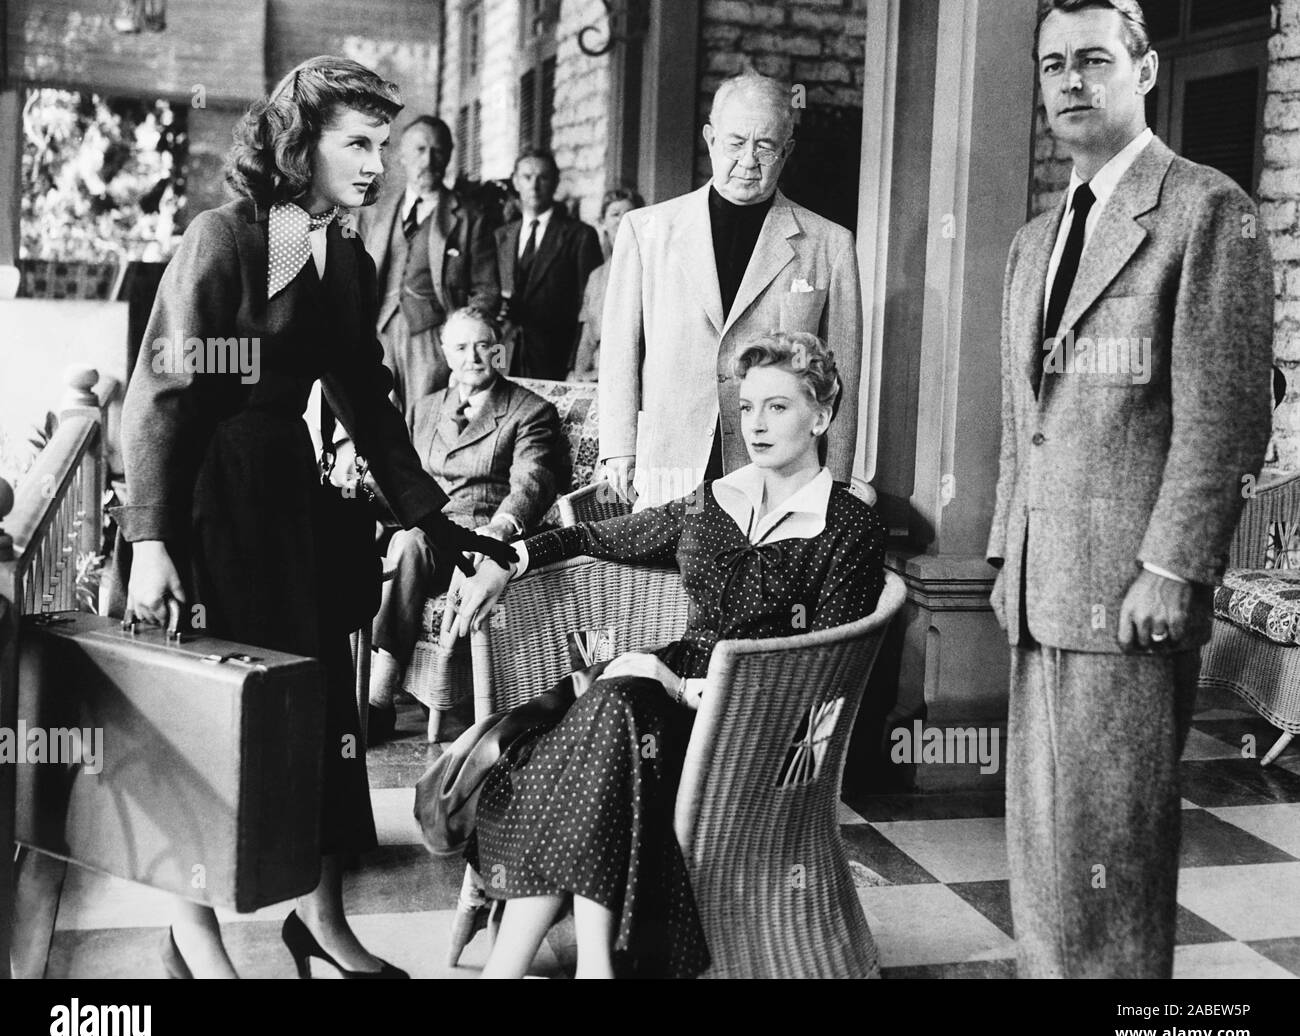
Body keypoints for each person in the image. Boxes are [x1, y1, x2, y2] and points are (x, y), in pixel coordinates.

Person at [115, 55, 515, 979]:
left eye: (384, 144)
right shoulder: (225, 238)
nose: (378, 163)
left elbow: (366, 399)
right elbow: (163, 396)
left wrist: (432, 516)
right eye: (358, 143)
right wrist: (148, 540)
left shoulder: (333, 249)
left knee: (319, 721)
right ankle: (197, 947)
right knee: (207, 728)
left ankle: (323, 925)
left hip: (286, 509)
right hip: (208, 505)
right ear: (303, 145)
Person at [444, 331, 886, 978]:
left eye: (778, 407)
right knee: (620, 711)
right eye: (746, 407)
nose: (756, 425)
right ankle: (592, 964)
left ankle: (517, 969)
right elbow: (595, 534)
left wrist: (678, 687)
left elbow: (825, 674)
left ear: (820, 415)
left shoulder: (847, 526)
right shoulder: (715, 500)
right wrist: (506, 559)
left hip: (754, 727)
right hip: (664, 699)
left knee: (616, 704)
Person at [987, 0, 1274, 978]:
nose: (1071, 81)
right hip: (1039, 586)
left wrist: (1170, 568)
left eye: (1094, 60)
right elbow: (1022, 423)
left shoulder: (1204, 211)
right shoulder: (1033, 243)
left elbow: (1226, 416)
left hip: (1129, 598)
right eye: (1053, 63)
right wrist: (1002, 551)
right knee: (1043, 858)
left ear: (1143, 71)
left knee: (1111, 861)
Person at [599, 71, 862, 509]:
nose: (749, 160)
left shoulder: (829, 244)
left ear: (787, 151)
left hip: (781, 470)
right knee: (664, 578)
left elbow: (842, 375)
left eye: (766, 146)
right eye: (736, 142)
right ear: (710, 138)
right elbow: (620, 351)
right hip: (673, 458)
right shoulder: (646, 231)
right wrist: (619, 447)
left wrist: (836, 477)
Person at [368, 306, 565, 735]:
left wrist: (499, 529)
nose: (472, 357)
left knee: (408, 543)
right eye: (460, 347)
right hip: (424, 537)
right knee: (379, 536)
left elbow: (532, 482)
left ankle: (378, 699)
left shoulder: (530, 411)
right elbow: (400, 477)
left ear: (499, 351)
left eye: (483, 346)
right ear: (444, 353)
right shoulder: (425, 408)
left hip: (475, 542)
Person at [362, 115, 500, 415]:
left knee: (426, 421)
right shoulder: (378, 212)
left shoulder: (470, 217)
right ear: (401, 155)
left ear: (449, 155)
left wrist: (462, 339)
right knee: (375, 418)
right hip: (379, 332)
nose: (429, 159)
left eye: (438, 151)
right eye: (420, 149)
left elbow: (487, 290)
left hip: (434, 338)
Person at [494, 149, 603, 380]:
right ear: (515, 181)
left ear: (555, 182)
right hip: (503, 353)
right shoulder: (501, 236)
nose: (534, 185)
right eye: (527, 177)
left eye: (542, 177)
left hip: (554, 357)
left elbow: (589, 307)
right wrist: (494, 362)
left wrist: (575, 365)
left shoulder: (579, 235)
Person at [569, 187, 645, 382]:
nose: (623, 220)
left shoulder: (650, 272)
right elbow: (587, 336)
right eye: (615, 214)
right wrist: (578, 375)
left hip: (635, 374)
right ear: (603, 223)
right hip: (596, 375)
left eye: (630, 214)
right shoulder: (596, 276)